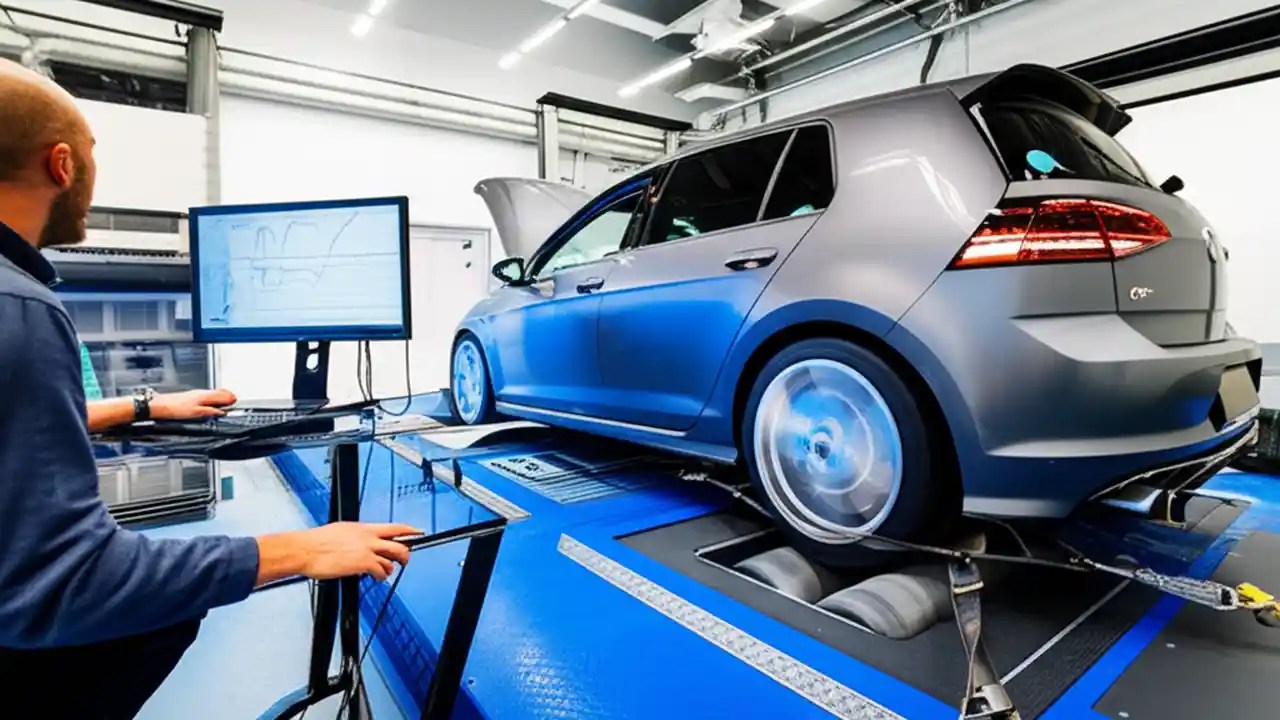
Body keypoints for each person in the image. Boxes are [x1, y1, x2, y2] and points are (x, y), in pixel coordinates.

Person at [0, 58, 421, 718]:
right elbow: (63, 580)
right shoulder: (19, 307)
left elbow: (15, 422)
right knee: (163, 612)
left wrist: (143, 407)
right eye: (92, 155)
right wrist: (296, 549)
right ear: (61, 164)